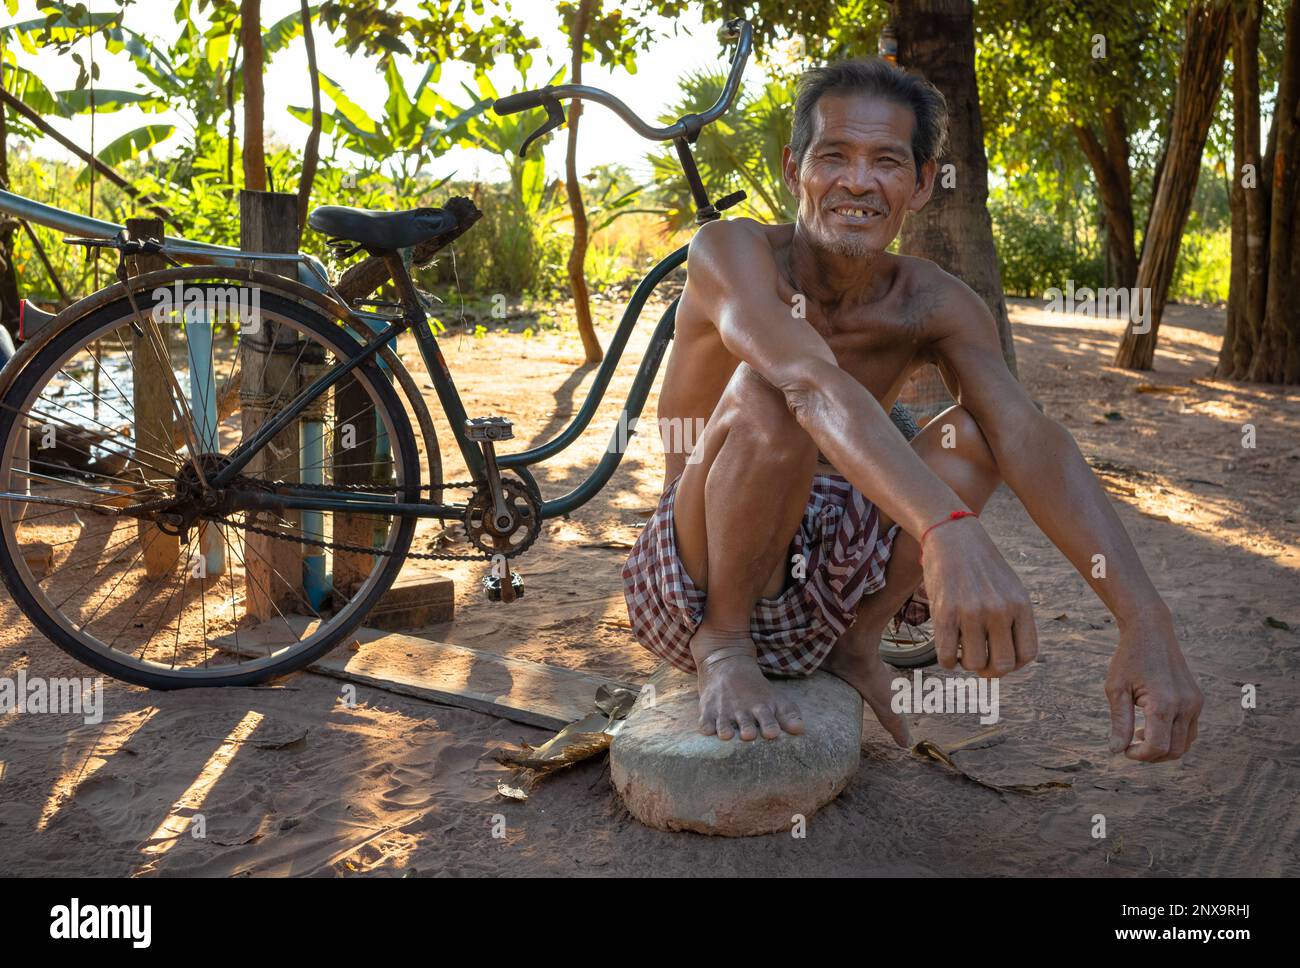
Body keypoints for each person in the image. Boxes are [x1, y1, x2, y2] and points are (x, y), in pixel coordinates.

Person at [621, 57, 1201, 761]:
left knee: (981, 429)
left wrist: (1145, 618)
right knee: (770, 390)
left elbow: (1027, 435)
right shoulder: (731, 251)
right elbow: (806, 384)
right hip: (694, 579)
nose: (858, 182)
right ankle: (725, 647)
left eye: (888, 162)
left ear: (922, 183)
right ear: (794, 168)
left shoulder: (933, 302)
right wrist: (947, 527)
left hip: (828, 591)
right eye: (834, 156)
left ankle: (859, 642)